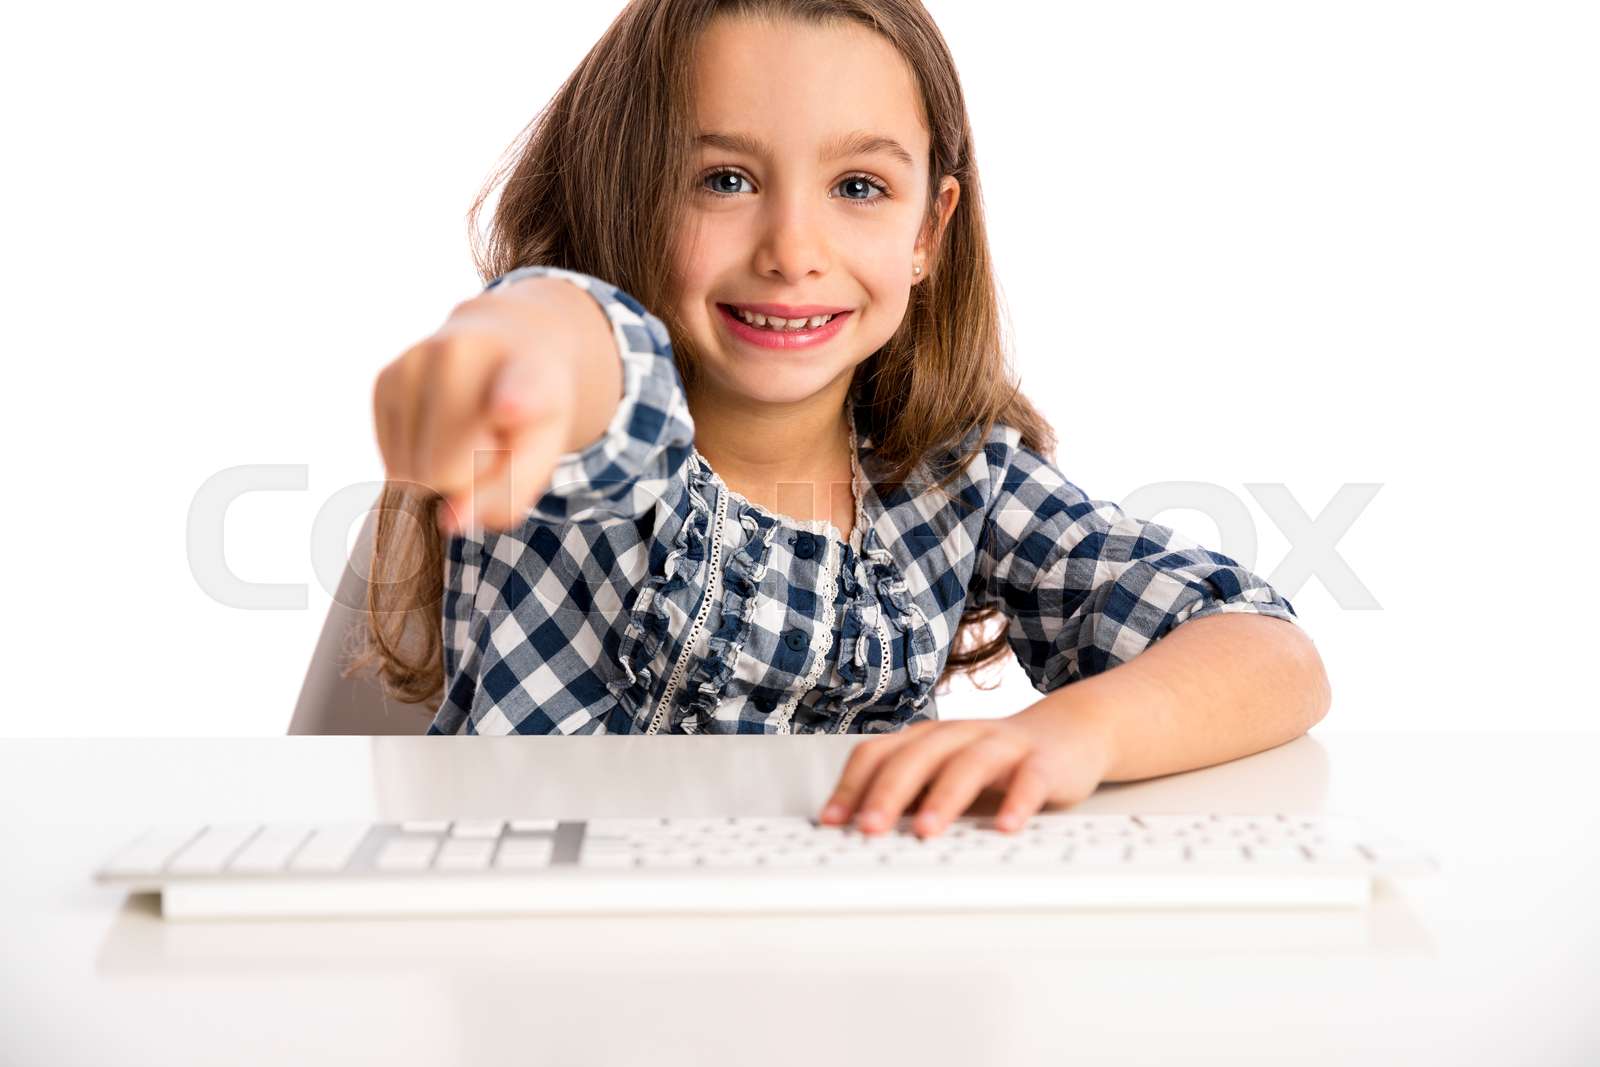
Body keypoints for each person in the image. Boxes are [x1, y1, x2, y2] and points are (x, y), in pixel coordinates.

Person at [363, 0, 1331, 838]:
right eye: (723, 180)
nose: (793, 250)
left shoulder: (955, 479)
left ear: (927, 232)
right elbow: (573, 340)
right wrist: (500, 357)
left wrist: (1071, 732)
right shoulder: (608, 424)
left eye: (858, 188)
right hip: (550, 976)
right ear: (629, 194)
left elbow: (1265, 650)